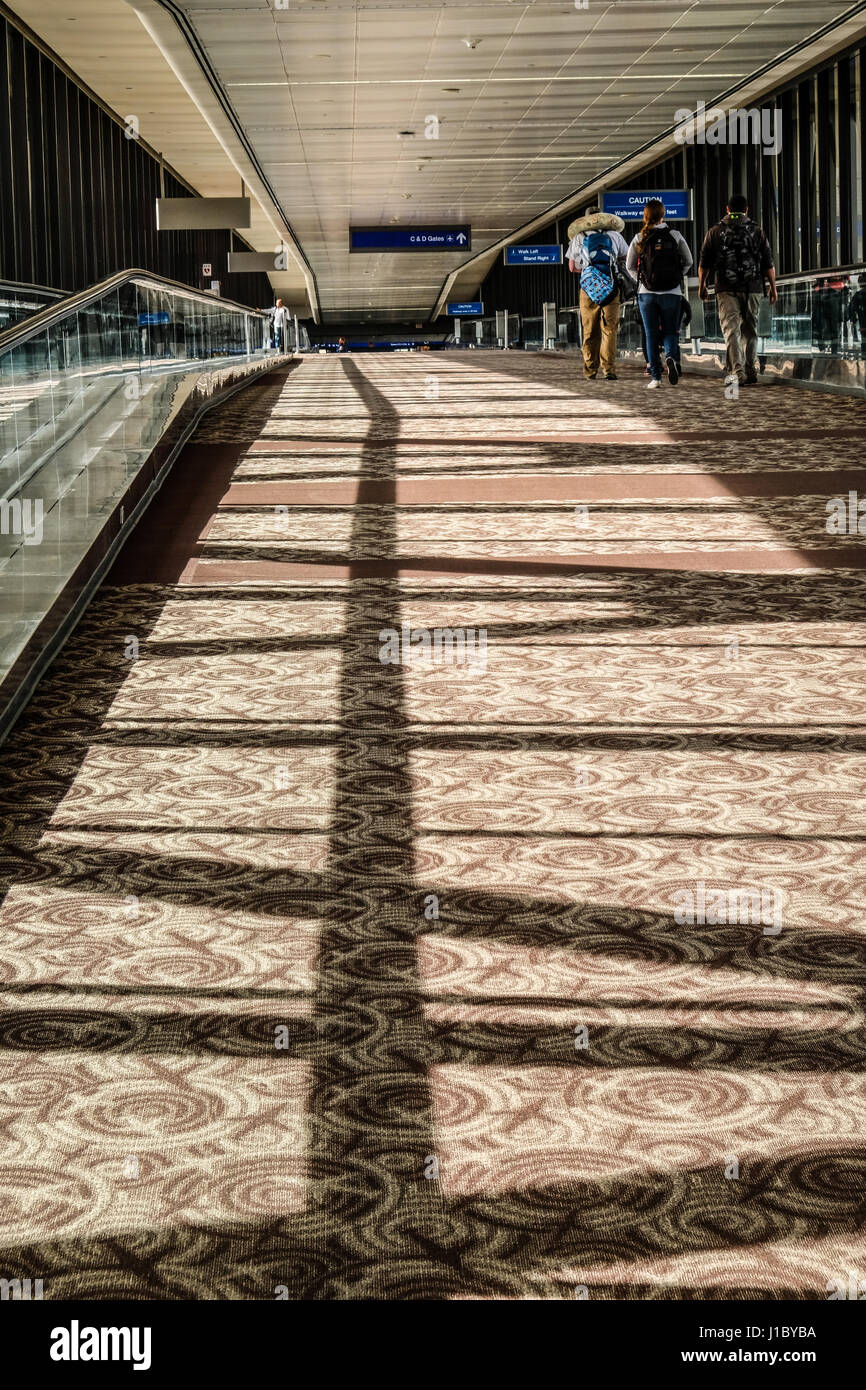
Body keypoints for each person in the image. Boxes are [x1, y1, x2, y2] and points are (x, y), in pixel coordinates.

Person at [698, 194, 777, 386]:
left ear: (727, 209)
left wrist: (702, 286)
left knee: (731, 330)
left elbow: (704, 263)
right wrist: (773, 287)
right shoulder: (758, 231)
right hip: (753, 287)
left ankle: (736, 372)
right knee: (750, 329)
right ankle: (751, 370)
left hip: (726, 288)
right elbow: (768, 262)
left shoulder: (714, 232)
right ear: (747, 210)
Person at [626, 200, 693, 389]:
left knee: (651, 334)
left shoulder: (640, 237)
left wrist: (642, 280)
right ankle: (671, 356)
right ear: (663, 215)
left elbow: (629, 266)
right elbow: (689, 261)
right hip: (672, 292)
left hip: (646, 294)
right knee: (671, 331)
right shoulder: (675, 235)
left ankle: (656, 377)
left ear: (645, 216)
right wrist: (676, 278)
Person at [567, 205, 630, 381]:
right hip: (611, 287)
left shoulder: (579, 237)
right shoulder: (615, 235)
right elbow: (625, 258)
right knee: (610, 329)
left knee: (589, 330)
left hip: (588, 289)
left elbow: (572, 267)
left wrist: (590, 271)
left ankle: (590, 369)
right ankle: (608, 369)